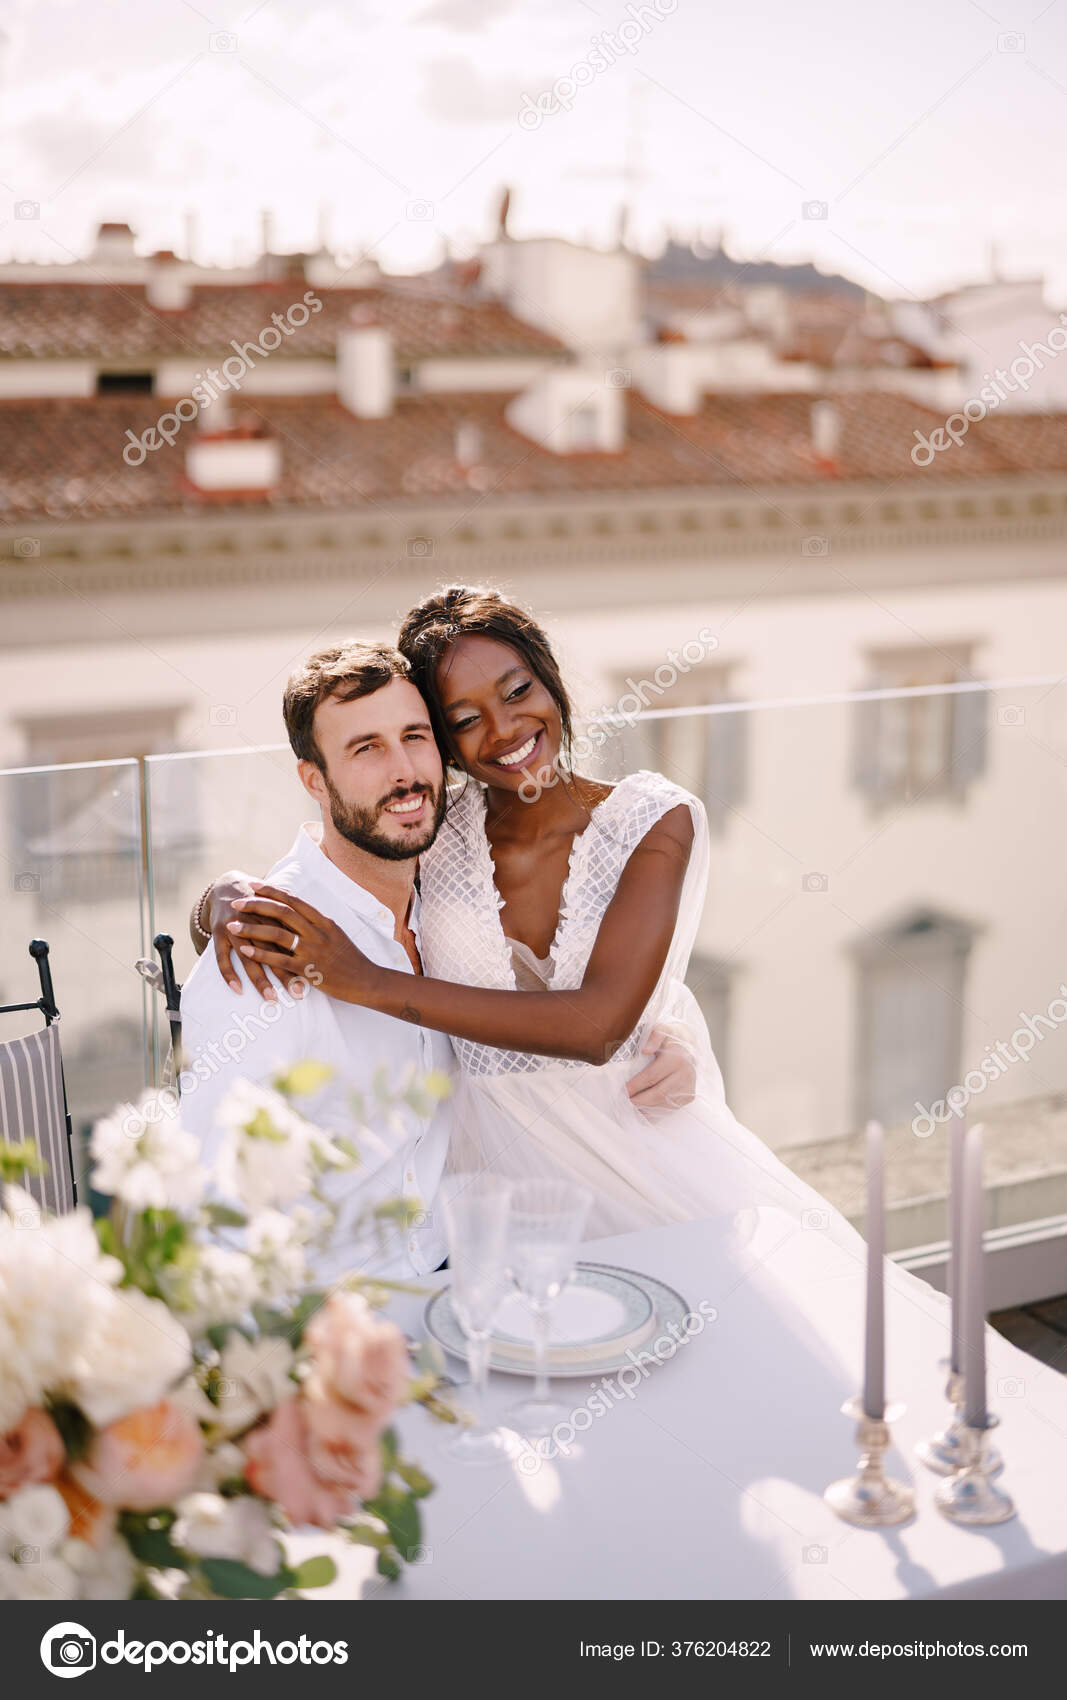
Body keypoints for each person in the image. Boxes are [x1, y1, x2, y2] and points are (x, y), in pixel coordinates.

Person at [207, 587, 837, 1240]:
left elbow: (598, 1027)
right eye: (465, 718)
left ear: (551, 680)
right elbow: (333, 876)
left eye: (516, 692)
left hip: (642, 1162)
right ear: (443, 744)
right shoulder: (435, 833)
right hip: (487, 1192)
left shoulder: (652, 821)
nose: (505, 729)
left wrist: (367, 981)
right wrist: (223, 898)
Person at [183, 631, 694, 1273]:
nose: (403, 771)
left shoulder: (442, 887)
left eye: (415, 736)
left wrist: (663, 1033)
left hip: (458, 1271)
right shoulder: (268, 955)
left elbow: (561, 989)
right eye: (366, 748)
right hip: (337, 1323)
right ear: (314, 779)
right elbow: (213, 1225)